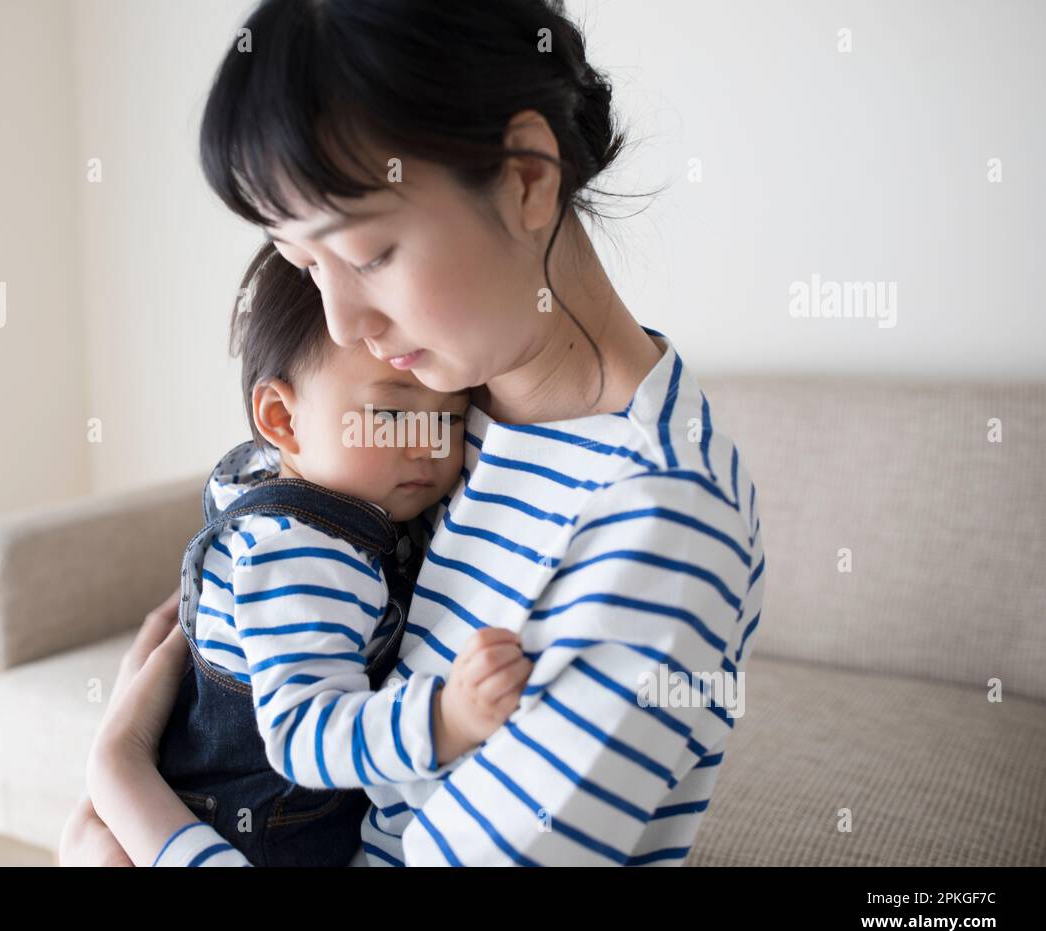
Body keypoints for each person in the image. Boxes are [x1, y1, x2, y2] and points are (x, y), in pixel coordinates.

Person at [62, 0, 766, 867]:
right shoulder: (447, 409)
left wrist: (126, 792)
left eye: (365, 256)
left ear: (526, 178)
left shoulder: (662, 520)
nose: (343, 320)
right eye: (303, 264)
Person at [154, 244, 529, 866]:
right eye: (390, 414)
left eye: (453, 417)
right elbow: (305, 736)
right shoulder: (302, 554)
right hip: (265, 842)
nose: (430, 447)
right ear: (282, 418)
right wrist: (447, 720)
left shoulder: (299, 487)